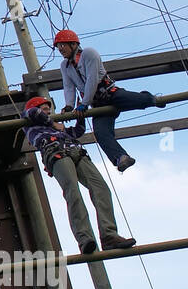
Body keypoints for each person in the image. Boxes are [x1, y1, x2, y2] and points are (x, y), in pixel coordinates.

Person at [21, 96, 134, 254]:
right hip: (55, 152)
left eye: (49, 108)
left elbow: (77, 132)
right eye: (44, 108)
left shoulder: (57, 127)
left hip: (76, 151)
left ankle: (109, 235)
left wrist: (79, 116)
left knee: (101, 188)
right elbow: (33, 112)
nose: (48, 111)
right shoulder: (31, 123)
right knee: (73, 192)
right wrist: (53, 123)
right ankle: (84, 238)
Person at [54, 28, 165, 173]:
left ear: (73, 44)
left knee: (137, 100)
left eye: (63, 45)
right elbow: (69, 87)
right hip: (98, 104)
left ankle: (152, 99)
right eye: (58, 47)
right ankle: (121, 157)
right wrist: (69, 105)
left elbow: (92, 80)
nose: (60, 49)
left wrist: (84, 103)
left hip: (110, 94)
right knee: (101, 133)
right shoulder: (65, 66)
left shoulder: (88, 54)